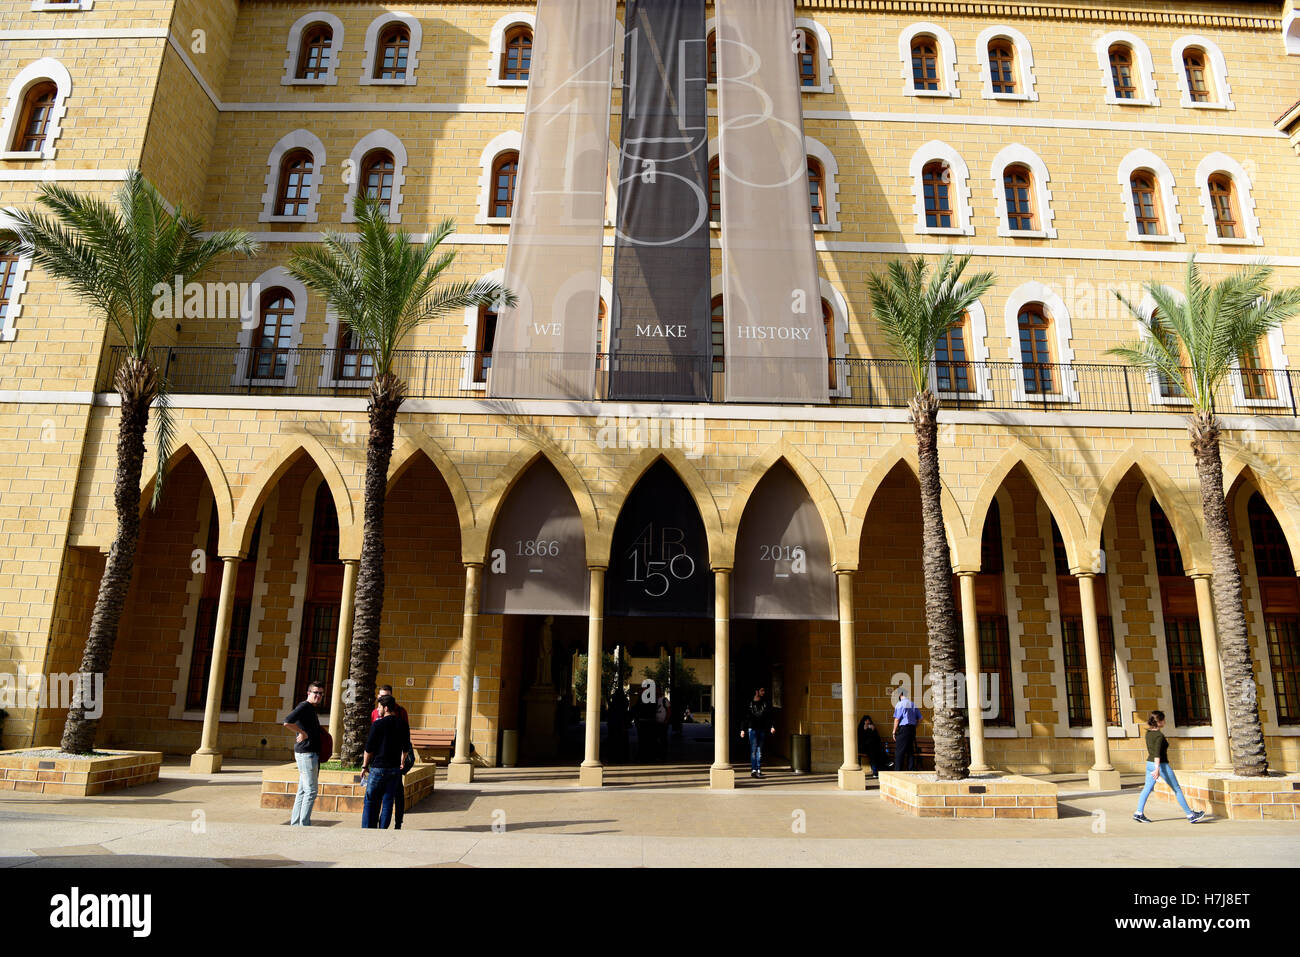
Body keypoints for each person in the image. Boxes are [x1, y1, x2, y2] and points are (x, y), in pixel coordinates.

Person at [1134, 710, 1207, 824]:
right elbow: (1157, 753)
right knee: (1177, 789)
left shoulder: (1148, 733)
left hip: (1149, 763)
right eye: (1163, 720)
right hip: (1160, 765)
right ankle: (1190, 815)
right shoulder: (1159, 735)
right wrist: (1157, 769)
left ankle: (1139, 813)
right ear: (1159, 721)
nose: (1165, 722)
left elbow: (1153, 752)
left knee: (1147, 788)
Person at [361, 694, 414, 829]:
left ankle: (368, 828)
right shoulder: (402, 725)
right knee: (388, 800)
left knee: (371, 800)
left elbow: (369, 749)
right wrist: (402, 761)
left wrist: (364, 766)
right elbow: (406, 747)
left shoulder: (377, 725)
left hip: (378, 767)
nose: (377, 709)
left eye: (379, 706)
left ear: (385, 708)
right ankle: (383, 828)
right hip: (394, 769)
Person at [282, 681, 325, 826]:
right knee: (311, 791)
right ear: (308, 693)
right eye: (315, 693)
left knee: (302, 791)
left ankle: (296, 823)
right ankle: (304, 824)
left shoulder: (311, 708)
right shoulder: (304, 706)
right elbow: (287, 721)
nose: (318, 696)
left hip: (309, 753)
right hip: (307, 753)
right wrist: (302, 733)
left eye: (320, 693)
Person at [740, 686, 776, 778]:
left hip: (762, 729)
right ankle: (754, 769)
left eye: (764, 690)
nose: (763, 692)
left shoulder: (765, 703)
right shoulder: (750, 703)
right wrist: (742, 729)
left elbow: (769, 716)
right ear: (756, 692)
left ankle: (759, 769)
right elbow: (745, 717)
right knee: (754, 750)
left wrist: (772, 726)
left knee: (759, 750)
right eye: (762, 690)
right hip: (752, 729)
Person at [892, 689, 920, 772]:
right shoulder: (912, 704)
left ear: (900, 694)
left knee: (899, 751)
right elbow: (919, 719)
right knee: (910, 750)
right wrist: (914, 726)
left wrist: (894, 732)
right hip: (911, 729)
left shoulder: (900, 704)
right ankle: (911, 769)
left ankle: (898, 770)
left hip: (903, 729)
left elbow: (897, 719)